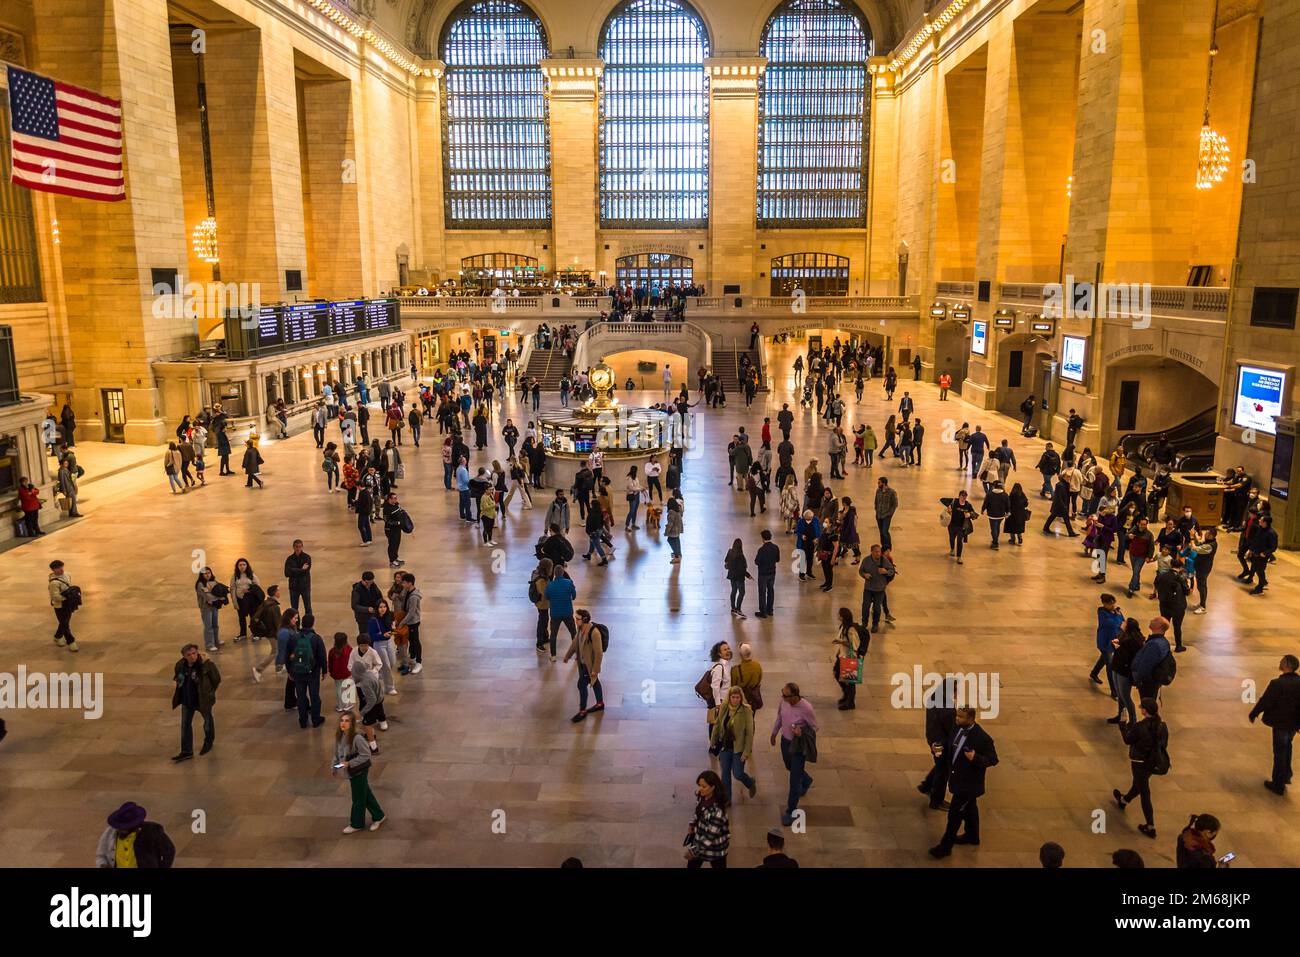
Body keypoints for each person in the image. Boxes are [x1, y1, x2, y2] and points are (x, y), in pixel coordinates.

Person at [929, 706, 999, 858]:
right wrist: (938, 750)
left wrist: (976, 758)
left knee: (954, 815)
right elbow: (950, 747)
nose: (957, 719)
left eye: (961, 717)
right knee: (970, 808)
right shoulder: (957, 728)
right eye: (957, 716)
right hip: (957, 779)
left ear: (971, 719)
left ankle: (945, 847)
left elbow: (993, 759)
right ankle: (972, 836)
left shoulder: (982, 738)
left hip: (968, 785)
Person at [1111, 696, 1168, 841]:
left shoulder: (1140, 727)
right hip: (1152, 762)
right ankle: (1124, 800)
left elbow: (1127, 740)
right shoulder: (1163, 726)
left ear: (1144, 711)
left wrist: (1122, 725)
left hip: (1139, 761)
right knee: (1139, 783)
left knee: (1144, 792)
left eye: (1141, 707)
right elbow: (1163, 744)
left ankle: (1150, 826)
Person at [1248, 654, 1300, 795]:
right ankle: (1285, 776)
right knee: (1287, 748)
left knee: (1279, 752)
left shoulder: (1277, 683)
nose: (1280, 663)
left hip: (1281, 723)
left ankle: (1278, 783)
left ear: (1287, 665)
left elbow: (1266, 701)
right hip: (1293, 724)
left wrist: (1254, 713)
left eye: (1282, 661)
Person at [771, 682, 818, 827]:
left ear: (795, 696)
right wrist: (774, 733)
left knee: (794, 780)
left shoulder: (806, 708)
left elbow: (815, 727)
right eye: (782, 693)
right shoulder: (784, 702)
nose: (782, 697)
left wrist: (801, 732)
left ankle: (791, 810)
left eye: (786, 695)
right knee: (789, 766)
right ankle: (806, 779)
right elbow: (780, 717)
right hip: (785, 742)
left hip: (798, 746)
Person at [333, 711, 386, 834]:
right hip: (352, 770)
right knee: (365, 793)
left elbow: (366, 755)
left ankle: (356, 823)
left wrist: (349, 763)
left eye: (347, 721)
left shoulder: (357, 738)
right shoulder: (341, 736)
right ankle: (379, 815)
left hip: (359, 770)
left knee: (358, 798)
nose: (343, 723)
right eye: (342, 720)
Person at [171, 643, 221, 762]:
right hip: (187, 700)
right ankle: (187, 751)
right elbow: (178, 678)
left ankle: (208, 742)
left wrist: (208, 692)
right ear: (184, 656)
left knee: (207, 721)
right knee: (185, 725)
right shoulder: (180, 665)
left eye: (194, 653)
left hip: (202, 700)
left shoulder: (206, 665)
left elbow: (216, 680)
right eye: (189, 655)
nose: (192, 656)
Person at [710, 687, 757, 801]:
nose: (735, 700)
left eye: (737, 697)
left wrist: (746, 752)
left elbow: (749, 733)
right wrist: (713, 740)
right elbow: (718, 724)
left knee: (737, 773)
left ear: (741, 698)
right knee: (725, 774)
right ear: (729, 697)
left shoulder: (746, 710)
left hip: (738, 748)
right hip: (725, 746)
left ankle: (750, 782)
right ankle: (727, 799)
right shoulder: (724, 708)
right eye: (733, 697)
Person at [95, 802, 175, 869]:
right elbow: (101, 855)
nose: (120, 829)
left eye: (124, 827)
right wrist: (103, 865)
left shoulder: (153, 832)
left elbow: (169, 850)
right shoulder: (110, 833)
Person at [564, 609, 606, 723]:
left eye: (577, 619)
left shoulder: (594, 633)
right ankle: (600, 703)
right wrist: (568, 655)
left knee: (581, 685)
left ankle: (582, 711)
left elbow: (599, 652)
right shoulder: (580, 629)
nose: (575, 621)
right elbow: (575, 643)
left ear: (585, 620)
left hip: (589, 666)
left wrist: (595, 670)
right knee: (595, 682)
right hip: (582, 664)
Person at [684, 770, 730, 868]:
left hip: (715, 849)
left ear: (713, 787)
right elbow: (698, 812)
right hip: (699, 842)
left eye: (704, 786)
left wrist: (693, 852)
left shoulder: (718, 811)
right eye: (699, 785)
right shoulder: (702, 796)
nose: (700, 789)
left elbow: (710, 836)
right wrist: (692, 824)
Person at [832, 607, 869, 710]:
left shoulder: (851, 629)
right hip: (842, 655)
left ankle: (850, 702)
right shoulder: (843, 626)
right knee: (836, 673)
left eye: (839, 614)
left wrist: (841, 642)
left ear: (843, 617)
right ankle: (846, 695)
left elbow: (855, 645)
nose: (837, 616)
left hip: (850, 657)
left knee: (850, 682)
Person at [858, 544, 896, 632]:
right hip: (868, 588)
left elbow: (892, 570)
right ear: (871, 552)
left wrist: (886, 571)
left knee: (877, 608)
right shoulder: (866, 560)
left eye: (879, 551)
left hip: (880, 589)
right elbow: (861, 571)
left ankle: (875, 624)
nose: (878, 554)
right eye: (876, 552)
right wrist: (864, 575)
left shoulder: (884, 560)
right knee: (865, 606)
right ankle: (864, 623)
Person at [544, 568, 577, 663]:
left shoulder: (550, 585)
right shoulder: (569, 583)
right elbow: (574, 596)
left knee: (553, 635)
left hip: (555, 614)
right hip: (567, 612)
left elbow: (546, 597)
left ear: (554, 574)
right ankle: (577, 654)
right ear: (563, 573)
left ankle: (553, 656)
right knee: (573, 633)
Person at [48, 559, 79, 653]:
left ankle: (57, 636)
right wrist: (66, 597)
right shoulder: (53, 583)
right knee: (65, 624)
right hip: (60, 606)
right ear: (53, 570)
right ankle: (71, 642)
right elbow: (55, 596)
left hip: (69, 604)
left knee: (65, 621)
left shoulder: (67, 574)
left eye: (61, 567)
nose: (61, 570)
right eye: (58, 568)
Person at [941, 490, 976, 564]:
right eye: (962, 496)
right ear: (959, 496)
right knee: (952, 538)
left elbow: (974, 514)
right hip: (952, 525)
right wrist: (949, 506)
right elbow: (942, 499)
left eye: (965, 496)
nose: (963, 498)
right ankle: (952, 549)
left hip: (961, 527)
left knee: (960, 541)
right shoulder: (954, 501)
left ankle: (959, 557)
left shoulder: (968, 505)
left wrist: (969, 514)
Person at [754, 529, 780, 618]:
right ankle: (770, 610)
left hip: (763, 573)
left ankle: (763, 612)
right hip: (772, 572)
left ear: (763, 538)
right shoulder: (776, 547)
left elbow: (757, 562)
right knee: (770, 591)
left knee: (762, 592)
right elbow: (777, 559)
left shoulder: (761, 549)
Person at [382, 492, 410, 568]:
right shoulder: (387, 508)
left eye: (396, 498)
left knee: (397, 544)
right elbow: (386, 519)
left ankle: (395, 558)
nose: (395, 500)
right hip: (390, 530)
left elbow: (400, 511)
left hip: (397, 529)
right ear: (389, 499)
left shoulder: (396, 504)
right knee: (392, 545)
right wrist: (396, 523)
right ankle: (392, 561)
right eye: (393, 498)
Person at [874, 476, 898, 551]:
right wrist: (876, 509)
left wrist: (890, 513)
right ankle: (883, 546)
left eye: (879, 483)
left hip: (886, 515)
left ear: (884, 483)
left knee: (884, 531)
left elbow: (895, 504)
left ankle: (888, 547)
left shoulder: (892, 492)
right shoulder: (878, 491)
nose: (878, 484)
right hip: (879, 515)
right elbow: (876, 501)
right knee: (881, 532)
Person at [665, 496, 684, 563]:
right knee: (677, 541)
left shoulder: (671, 512)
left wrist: (666, 532)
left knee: (670, 540)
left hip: (674, 530)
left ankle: (677, 556)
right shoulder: (678, 509)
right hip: (678, 528)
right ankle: (679, 554)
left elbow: (670, 523)